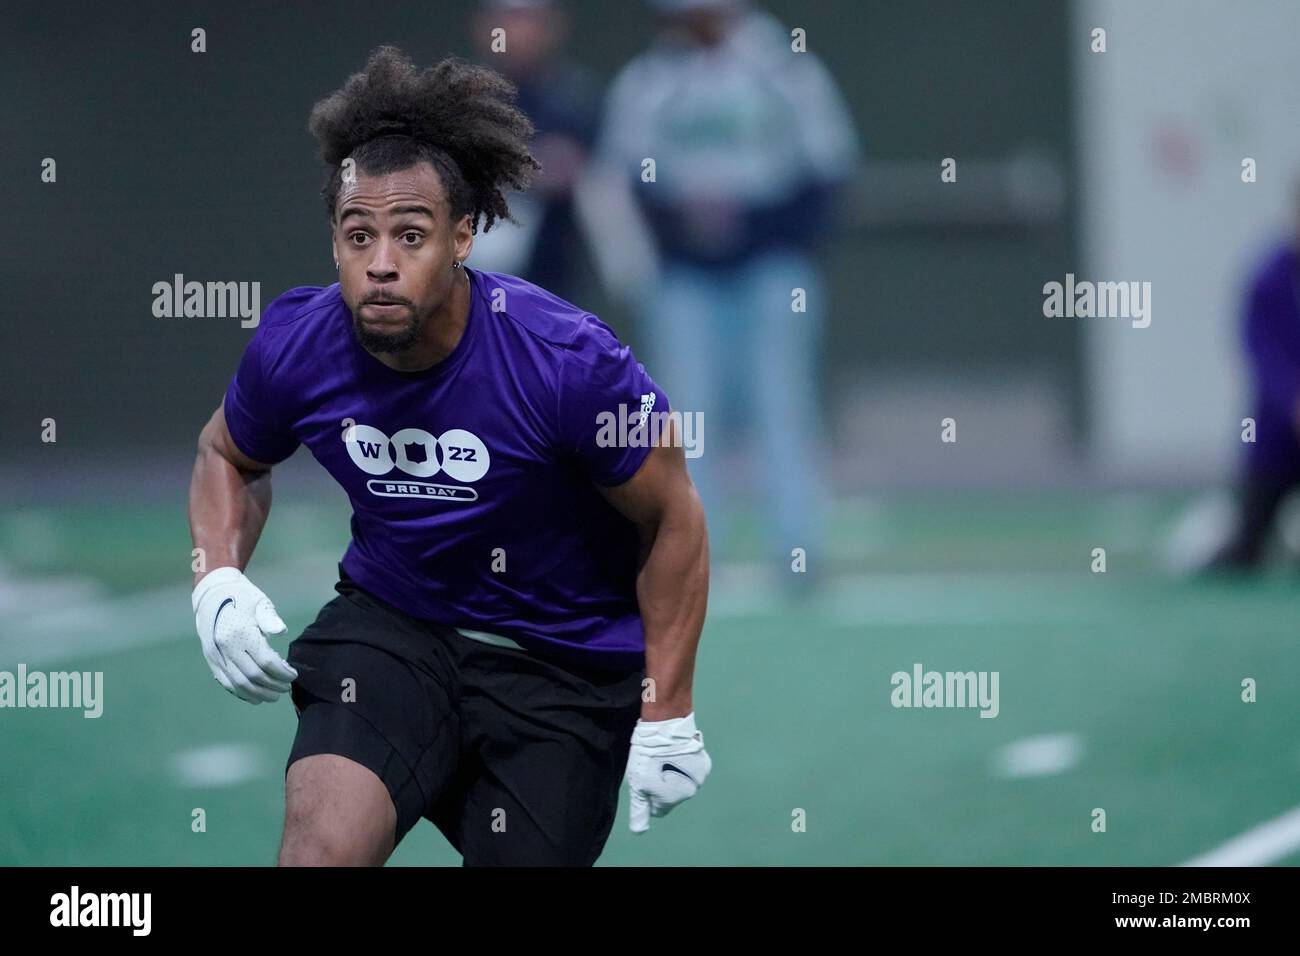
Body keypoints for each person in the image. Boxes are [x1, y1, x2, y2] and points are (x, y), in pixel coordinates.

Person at [187, 47, 711, 866]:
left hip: (562, 665)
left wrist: (668, 707)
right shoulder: (298, 345)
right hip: (395, 633)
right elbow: (228, 452)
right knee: (319, 853)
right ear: (334, 242)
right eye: (359, 235)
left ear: (464, 235)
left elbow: (674, 519)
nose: (382, 262)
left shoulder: (567, 362)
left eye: (411, 234)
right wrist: (217, 574)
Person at [595, 0, 859, 576]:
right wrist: (672, 237)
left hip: (771, 268)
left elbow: (828, 167)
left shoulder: (786, 70)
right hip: (684, 275)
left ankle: (796, 545)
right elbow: (621, 178)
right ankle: (691, 548)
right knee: (686, 414)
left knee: (783, 400)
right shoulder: (650, 81)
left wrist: (765, 231)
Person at [1203, 182, 1300, 571]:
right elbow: (1261, 351)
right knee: (1247, 547)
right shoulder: (1269, 276)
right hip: (1276, 437)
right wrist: (1293, 399)